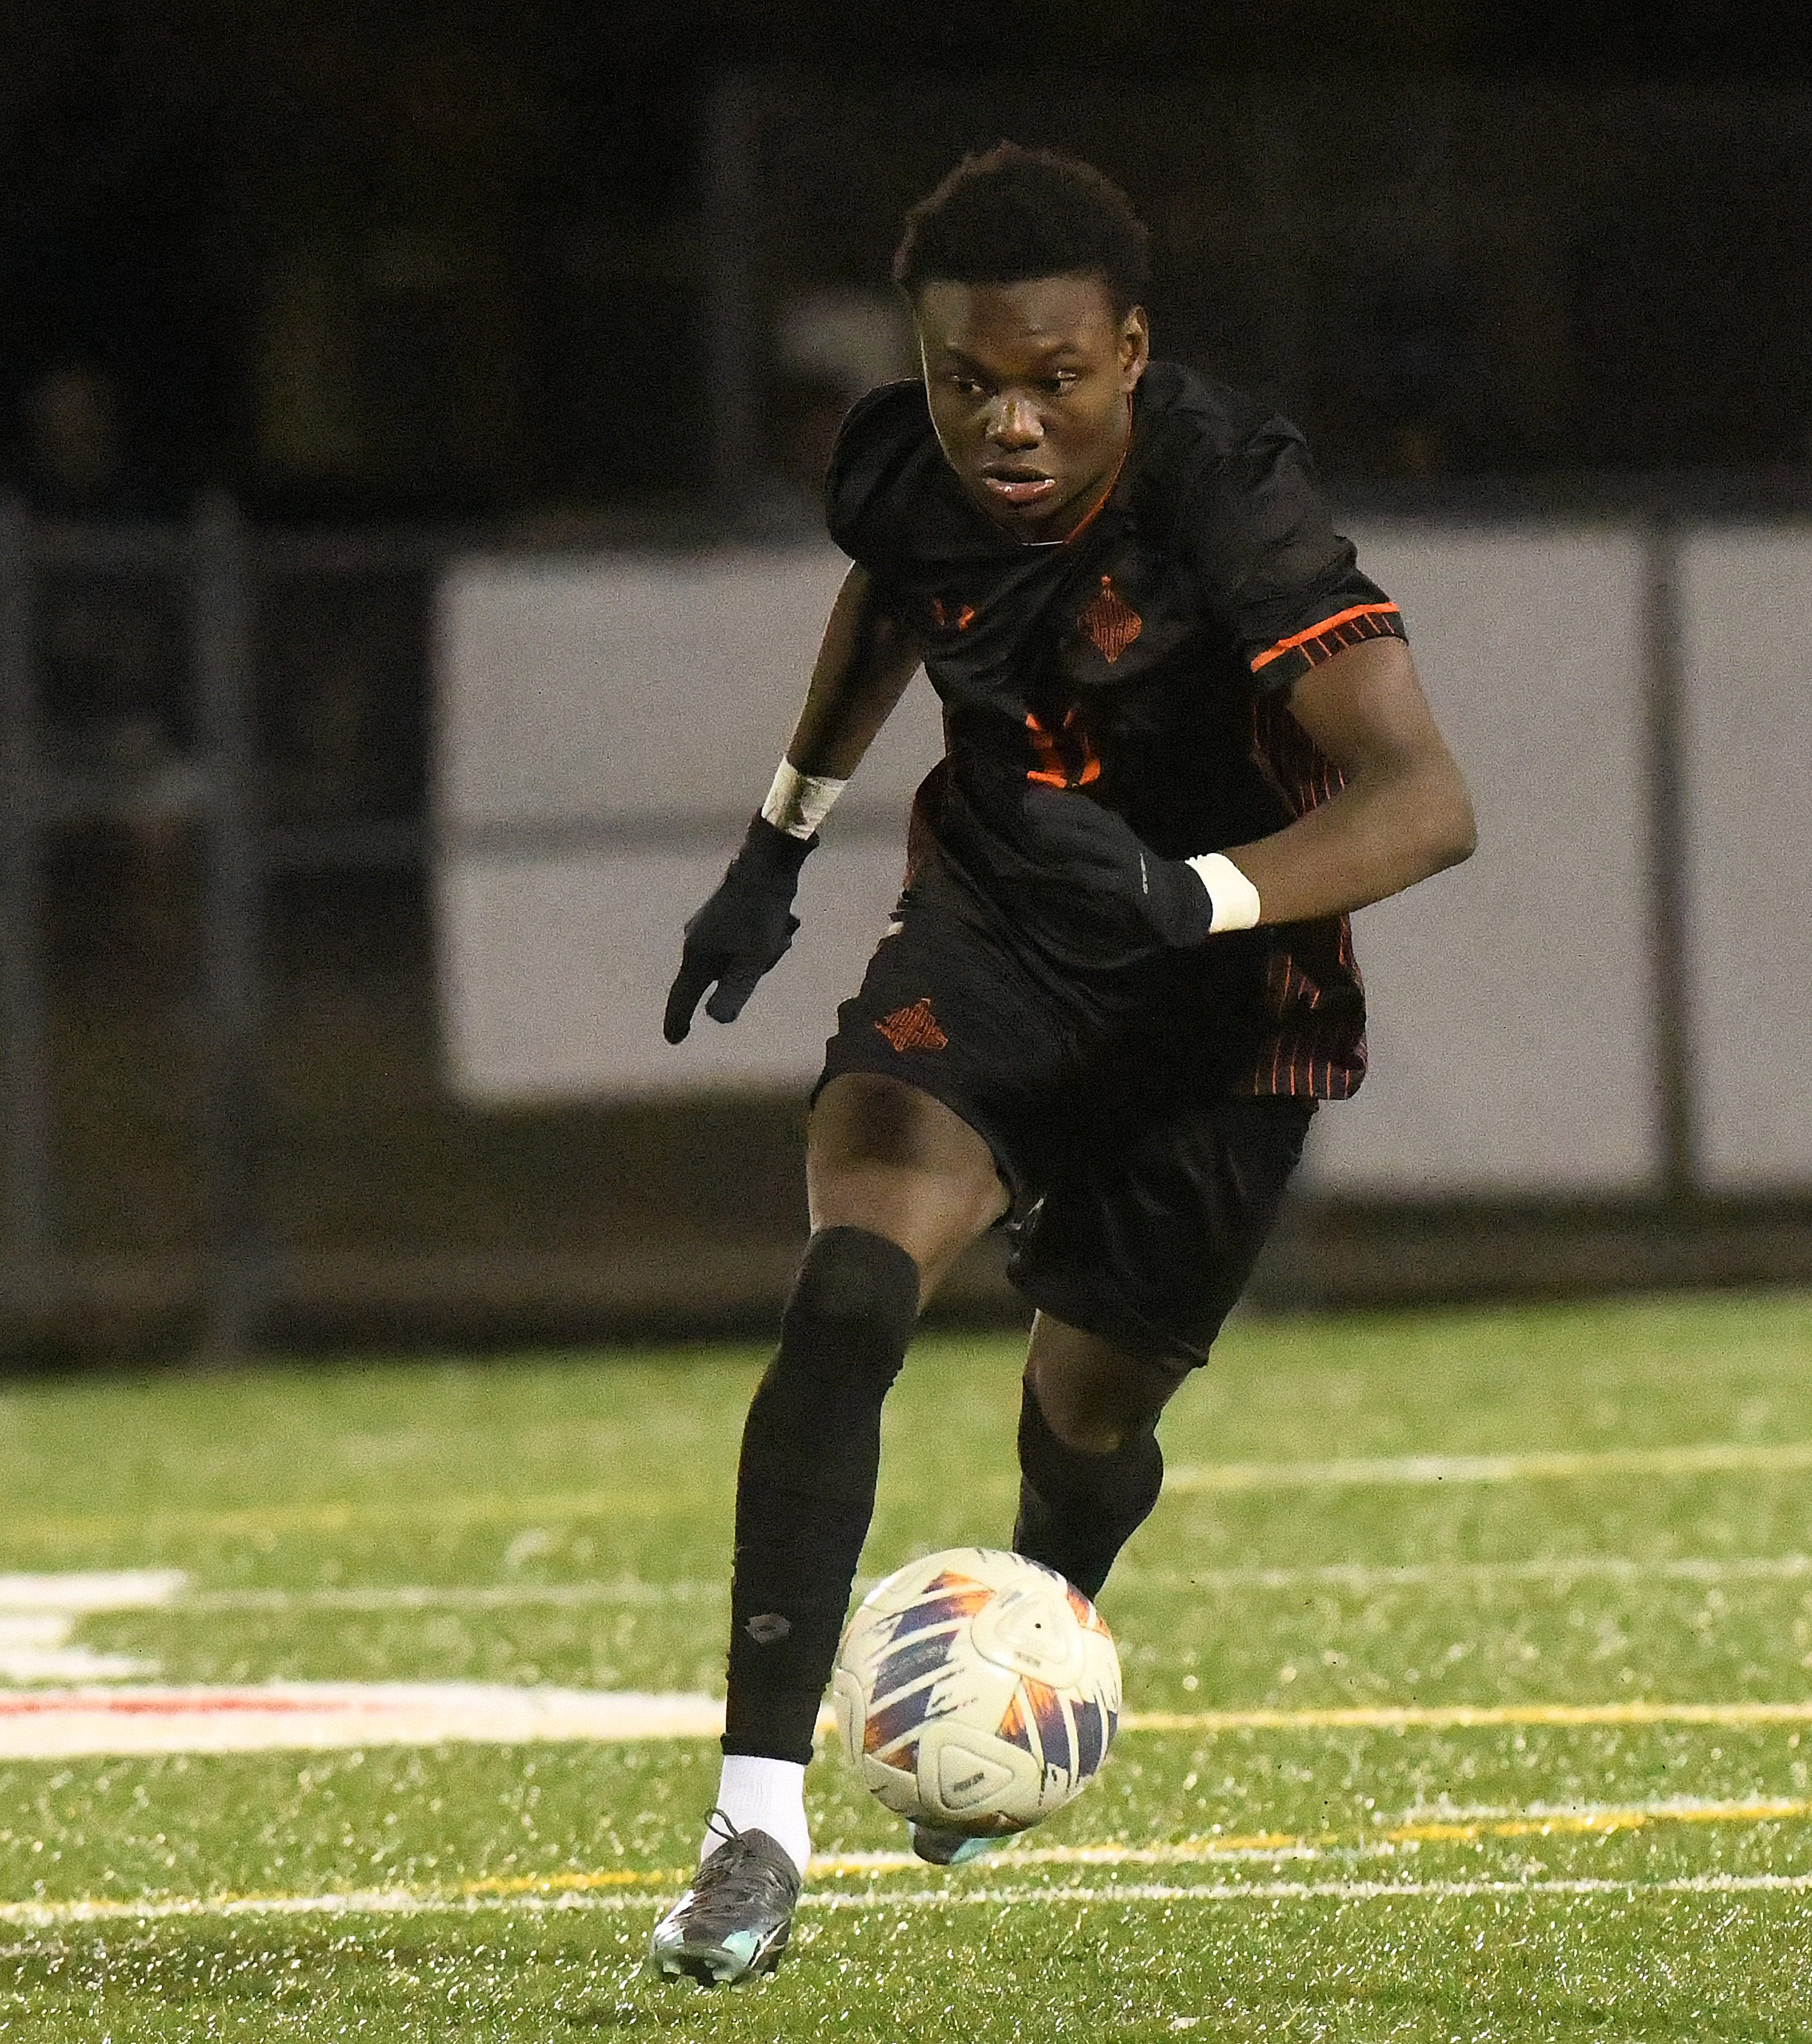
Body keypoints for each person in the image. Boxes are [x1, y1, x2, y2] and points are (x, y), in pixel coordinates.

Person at [646, 144, 1475, 1985]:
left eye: (1053, 380)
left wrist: (1194, 898)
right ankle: (752, 1828)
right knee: (848, 1291)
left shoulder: (1225, 496)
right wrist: (778, 841)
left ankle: (1034, 1631)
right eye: (967, 384)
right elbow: (891, 596)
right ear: (924, 366)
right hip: (1000, 936)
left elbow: (1427, 803)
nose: (1007, 423)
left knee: (1092, 1416)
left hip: (1227, 992)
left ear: (1130, 353)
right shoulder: (899, 459)